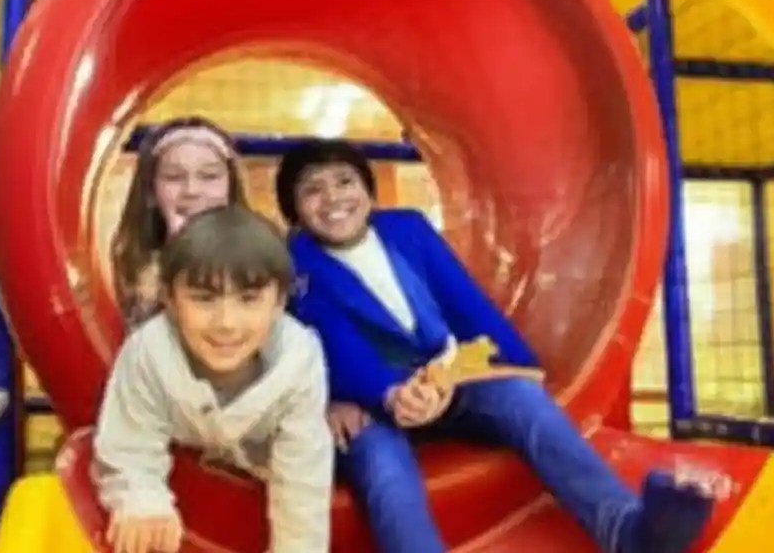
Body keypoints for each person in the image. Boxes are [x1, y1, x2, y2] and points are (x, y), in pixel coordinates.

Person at [274, 139, 726, 553]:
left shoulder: (407, 229)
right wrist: (384, 394)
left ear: (368, 190)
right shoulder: (296, 264)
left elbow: (464, 301)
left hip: (444, 377)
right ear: (294, 210)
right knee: (382, 465)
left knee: (522, 399)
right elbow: (331, 339)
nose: (333, 198)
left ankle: (627, 531)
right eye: (312, 190)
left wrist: (510, 366)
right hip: (367, 402)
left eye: (345, 181)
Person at [93, 206, 334, 553]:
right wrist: (143, 500)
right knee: (137, 523)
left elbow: (303, 480)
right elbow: (129, 444)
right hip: (191, 483)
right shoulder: (149, 351)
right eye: (204, 299)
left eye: (249, 300)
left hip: (260, 474)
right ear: (170, 301)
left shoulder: (298, 359)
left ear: (280, 302)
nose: (226, 323)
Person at [110, 116, 245, 331]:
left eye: (209, 176)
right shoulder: (136, 265)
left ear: (230, 189)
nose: (191, 191)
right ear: (151, 193)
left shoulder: (258, 257)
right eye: (173, 177)